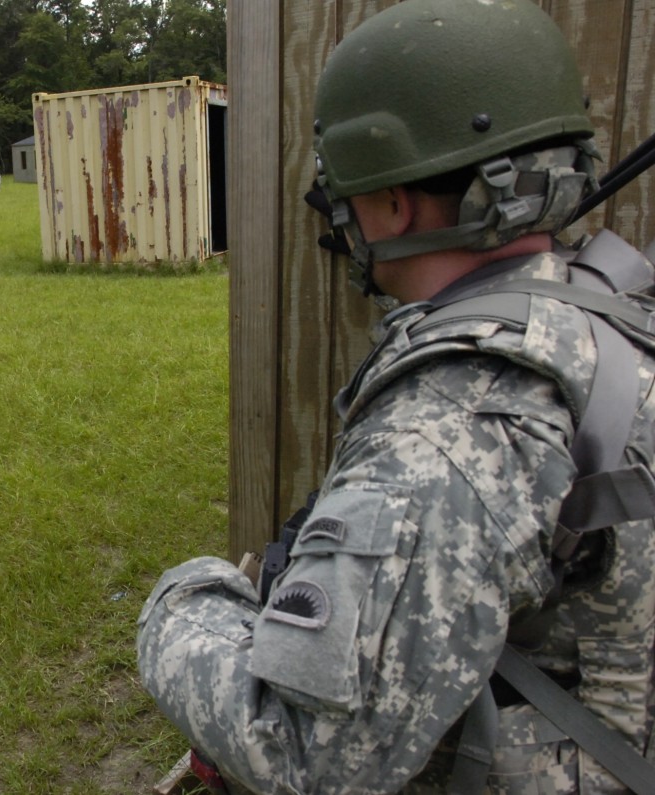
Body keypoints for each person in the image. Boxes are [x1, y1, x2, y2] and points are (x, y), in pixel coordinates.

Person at [136, 1, 655, 793]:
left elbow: (306, 753)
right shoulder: (611, 315)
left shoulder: (449, 428)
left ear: (390, 201)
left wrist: (185, 601)